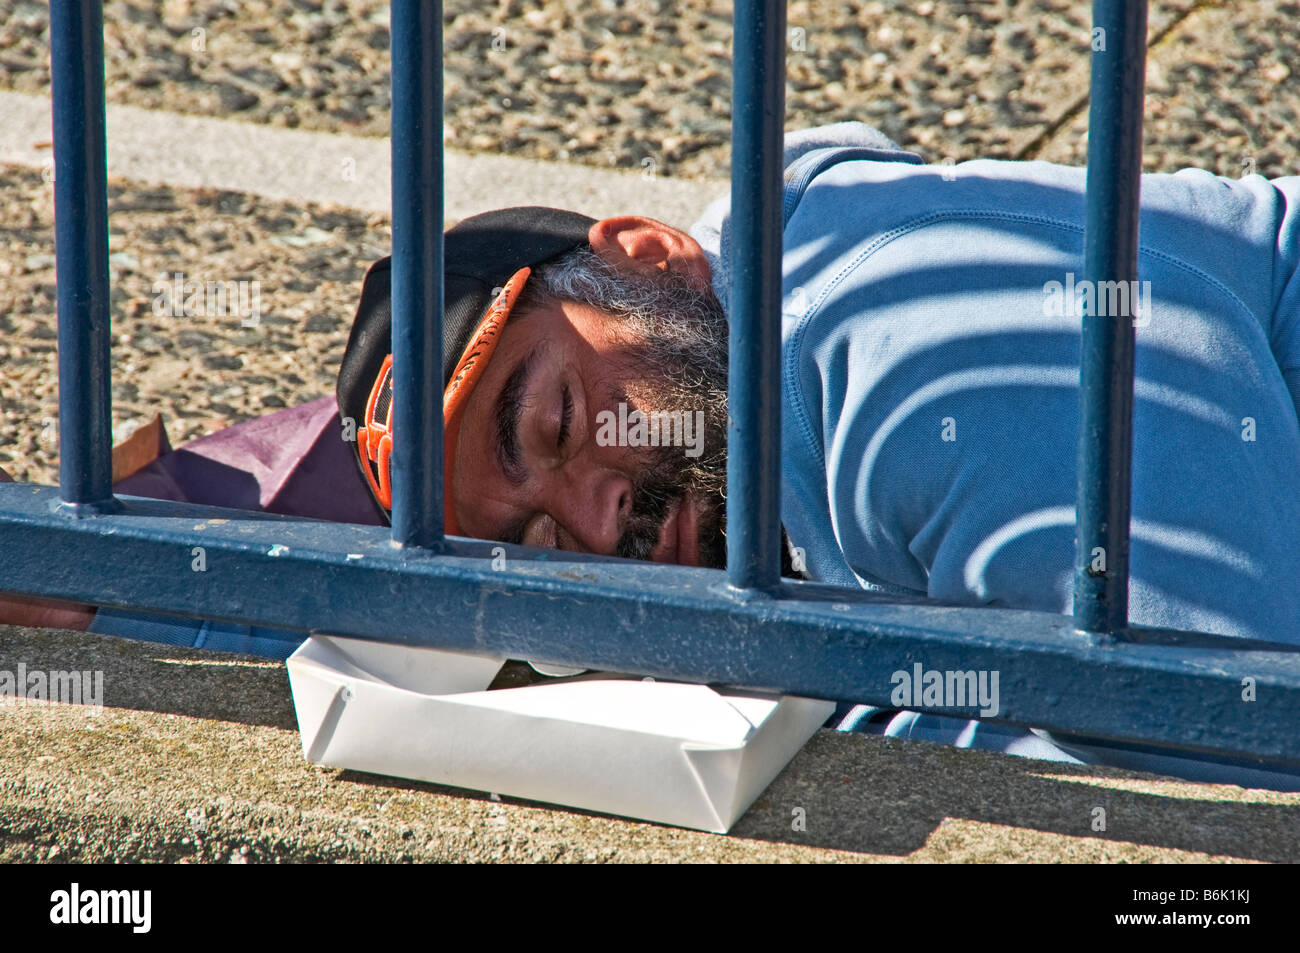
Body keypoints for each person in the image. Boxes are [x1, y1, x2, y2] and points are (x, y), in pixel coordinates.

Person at [4, 122, 1299, 786]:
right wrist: (113, 576)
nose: (593, 511)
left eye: (557, 420)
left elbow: (1224, 759)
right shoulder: (756, 461)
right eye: (527, 540)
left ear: (644, 253)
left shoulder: (890, 354)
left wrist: (841, 727)